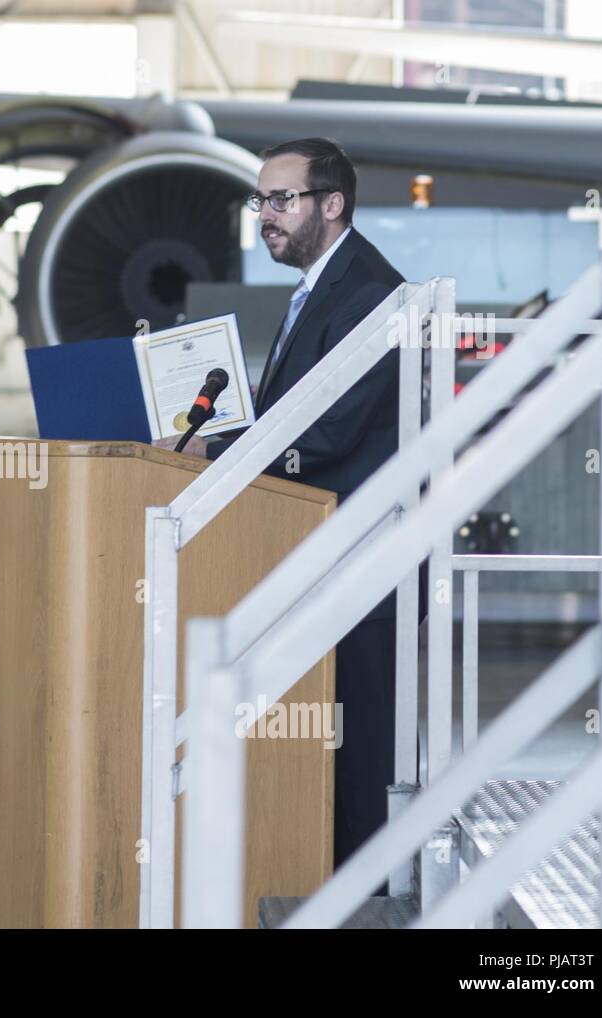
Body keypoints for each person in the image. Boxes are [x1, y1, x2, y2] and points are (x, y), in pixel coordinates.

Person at [157, 137, 413, 874]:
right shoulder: (321, 289)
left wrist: (217, 452)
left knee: (363, 769)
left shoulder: (366, 292)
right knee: (333, 764)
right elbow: (296, 420)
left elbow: (327, 432)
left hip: (368, 569)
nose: (264, 216)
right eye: (258, 201)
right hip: (327, 557)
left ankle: (366, 909)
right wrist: (212, 440)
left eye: (281, 200)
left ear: (331, 206)